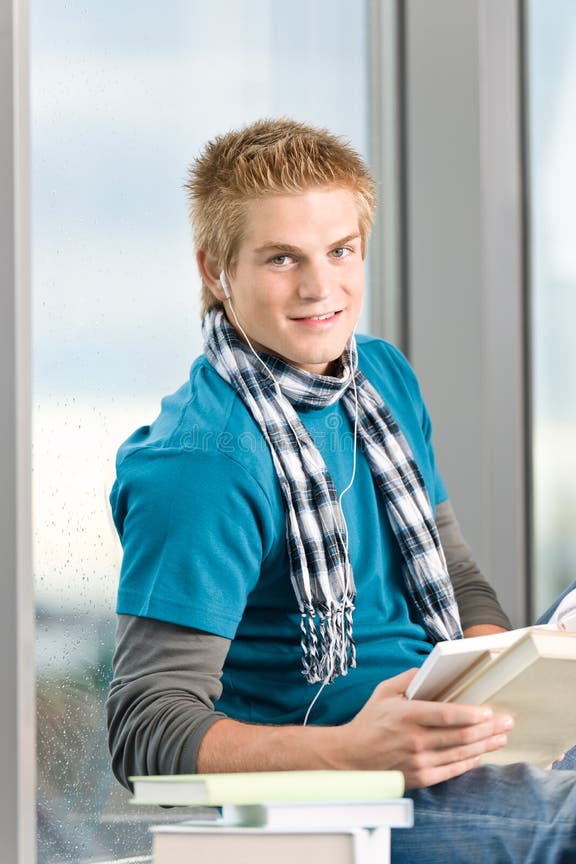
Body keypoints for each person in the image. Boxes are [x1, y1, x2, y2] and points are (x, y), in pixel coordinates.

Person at [107, 118, 576, 861]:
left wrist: (506, 696)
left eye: (340, 251)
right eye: (281, 258)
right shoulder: (201, 462)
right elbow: (145, 727)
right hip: (356, 795)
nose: (319, 286)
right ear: (214, 267)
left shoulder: (381, 378)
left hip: (449, 730)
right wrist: (359, 753)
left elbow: (453, 576)